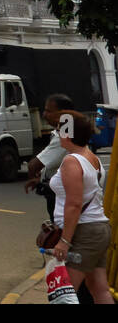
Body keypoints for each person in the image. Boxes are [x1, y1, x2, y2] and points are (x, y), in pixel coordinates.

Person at [48, 111, 112, 304]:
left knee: (63, 294)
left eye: (59, 130)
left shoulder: (71, 161)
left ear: (67, 133)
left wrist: (64, 241)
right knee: (99, 290)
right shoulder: (92, 158)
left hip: (84, 233)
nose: (57, 134)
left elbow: (74, 204)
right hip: (98, 230)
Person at [24, 93, 73, 219]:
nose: (44, 115)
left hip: (64, 197)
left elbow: (33, 166)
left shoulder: (65, 137)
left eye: (49, 111)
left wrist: (33, 177)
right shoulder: (65, 132)